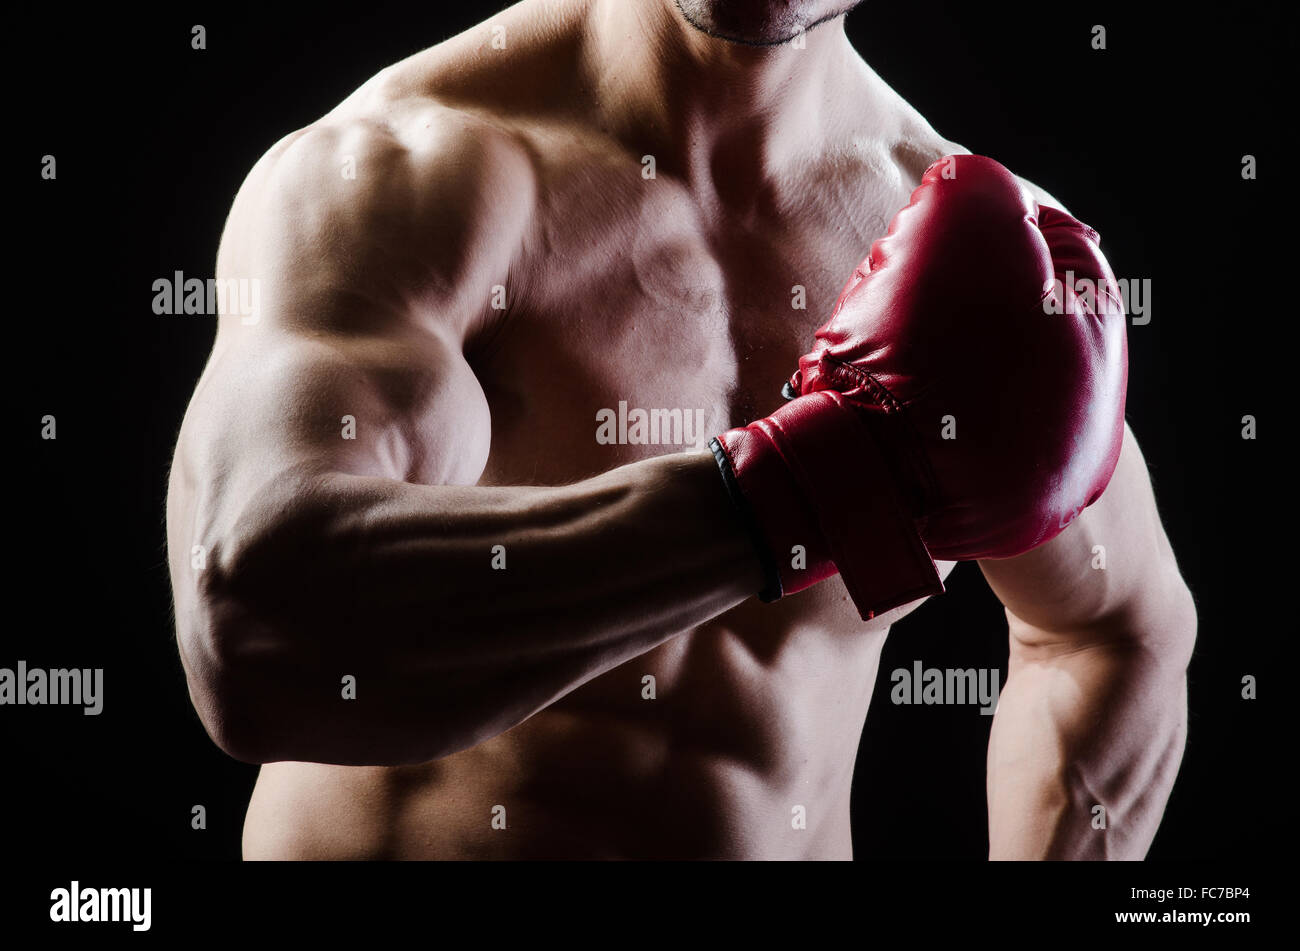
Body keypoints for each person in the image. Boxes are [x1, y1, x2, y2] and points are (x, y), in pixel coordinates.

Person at [166, 0, 1195, 859]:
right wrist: (812, 487)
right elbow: (255, 631)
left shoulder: (978, 254)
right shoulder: (411, 175)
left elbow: (1117, 631)